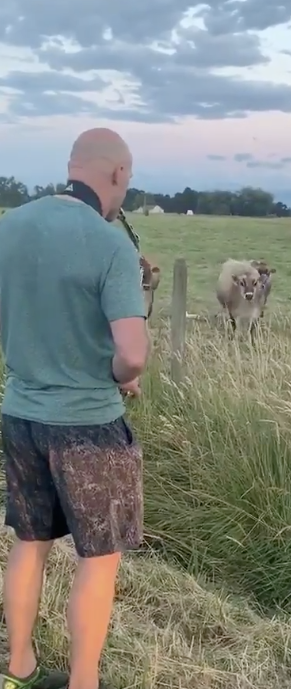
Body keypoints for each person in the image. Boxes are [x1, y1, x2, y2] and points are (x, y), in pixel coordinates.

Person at [0, 128, 150, 689]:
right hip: (87, 425)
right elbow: (131, 355)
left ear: (71, 166)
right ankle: (84, 682)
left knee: (29, 542)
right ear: (117, 174)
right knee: (99, 556)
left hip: (19, 413)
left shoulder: (9, 226)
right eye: (127, 182)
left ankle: (17, 670)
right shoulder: (111, 243)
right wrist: (117, 375)